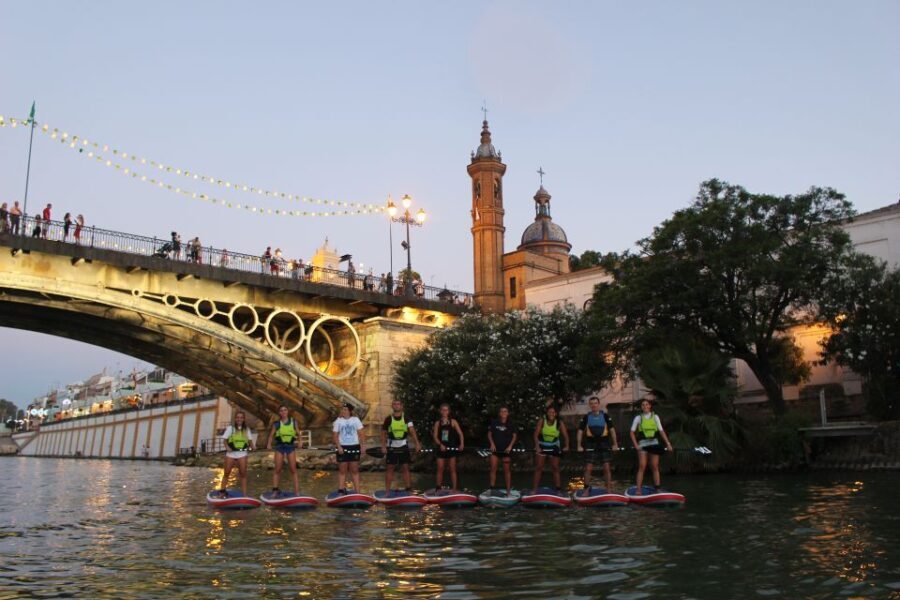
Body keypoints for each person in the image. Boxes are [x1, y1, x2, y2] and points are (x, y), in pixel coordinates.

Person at [629, 398, 674, 494]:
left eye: (647, 404)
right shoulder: (638, 418)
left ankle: (657, 488)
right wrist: (636, 445)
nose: (645, 406)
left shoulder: (655, 417)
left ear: (650, 406)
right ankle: (638, 489)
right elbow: (632, 432)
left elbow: (661, 431)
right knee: (642, 466)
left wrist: (668, 444)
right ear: (641, 407)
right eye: (643, 405)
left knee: (654, 466)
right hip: (643, 444)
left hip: (654, 443)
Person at [577, 397, 619, 492]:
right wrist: (579, 445)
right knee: (588, 468)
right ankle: (586, 490)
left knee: (606, 467)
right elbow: (580, 432)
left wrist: (615, 444)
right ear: (590, 405)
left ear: (598, 404)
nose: (593, 405)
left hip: (604, 444)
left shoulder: (605, 416)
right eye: (591, 403)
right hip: (591, 444)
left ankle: (608, 489)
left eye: (595, 403)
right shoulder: (586, 417)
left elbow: (612, 431)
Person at [380, 399, 422, 491]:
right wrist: (383, 446)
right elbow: (383, 433)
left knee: (405, 467)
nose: (396, 406)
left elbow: (412, 431)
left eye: (398, 404)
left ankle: (408, 488)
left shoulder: (407, 418)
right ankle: (387, 491)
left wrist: (417, 444)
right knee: (390, 468)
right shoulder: (388, 419)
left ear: (401, 406)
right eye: (394, 404)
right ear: (392, 406)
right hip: (391, 447)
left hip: (403, 446)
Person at [216, 410, 255, 497]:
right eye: (237, 417)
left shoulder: (247, 430)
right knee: (226, 473)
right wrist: (227, 447)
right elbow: (225, 440)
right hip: (231, 454)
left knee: (243, 474)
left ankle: (244, 495)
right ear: (235, 419)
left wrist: (253, 447)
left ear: (244, 419)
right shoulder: (231, 428)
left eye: (241, 418)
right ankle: (222, 492)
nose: (239, 419)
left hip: (242, 454)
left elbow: (250, 441)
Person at [266, 405, 302, 498]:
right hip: (279, 447)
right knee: (277, 469)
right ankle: (275, 490)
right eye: (281, 410)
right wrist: (269, 444)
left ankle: (297, 492)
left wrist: (300, 442)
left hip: (290, 447)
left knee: (293, 470)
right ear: (279, 413)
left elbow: (298, 434)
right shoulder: (276, 424)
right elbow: (271, 435)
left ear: (287, 411)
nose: (283, 412)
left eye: (285, 410)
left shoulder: (293, 422)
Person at [532, 404, 569, 491]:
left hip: (554, 446)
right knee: (538, 467)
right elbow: (535, 435)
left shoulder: (559, 422)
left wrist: (567, 446)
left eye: (553, 412)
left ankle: (558, 489)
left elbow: (566, 436)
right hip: (542, 445)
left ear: (556, 413)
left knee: (555, 467)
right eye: (549, 412)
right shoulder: (542, 421)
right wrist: (537, 446)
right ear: (547, 413)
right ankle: (534, 489)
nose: (551, 414)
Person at [332, 403, 365, 494]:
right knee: (343, 470)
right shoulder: (338, 421)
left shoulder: (356, 420)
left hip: (354, 446)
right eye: (342, 409)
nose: (343, 411)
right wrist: (339, 447)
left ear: (350, 411)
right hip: (342, 447)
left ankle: (358, 492)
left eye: (345, 409)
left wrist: (363, 446)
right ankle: (341, 490)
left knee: (354, 470)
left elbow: (361, 433)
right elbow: (335, 436)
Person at [432, 403, 465, 490]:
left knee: (452, 469)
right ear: (440, 411)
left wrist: (461, 444)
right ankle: (438, 488)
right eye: (443, 410)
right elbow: (435, 437)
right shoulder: (437, 423)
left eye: (446, 410)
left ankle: (454, 489)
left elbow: (460, 434)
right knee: (440, 468)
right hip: (441, 449)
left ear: (449, 411)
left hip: (452, 448)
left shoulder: (453, 422)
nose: (444, 412)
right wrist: (440, 445)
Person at [487, 406, 517, 494]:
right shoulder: (494, 422)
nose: (504, 413)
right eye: (502, 411)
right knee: (493, 468)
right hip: (495, 450)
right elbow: (489, 434)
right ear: (500, 413)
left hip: (506, 451)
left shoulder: (511, 424)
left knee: (507, 471)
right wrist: (492, 443)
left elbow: (514, 436)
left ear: (508, 413)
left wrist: (510, 446)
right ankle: (492, 489)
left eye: (505, 411)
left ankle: (508, 491)